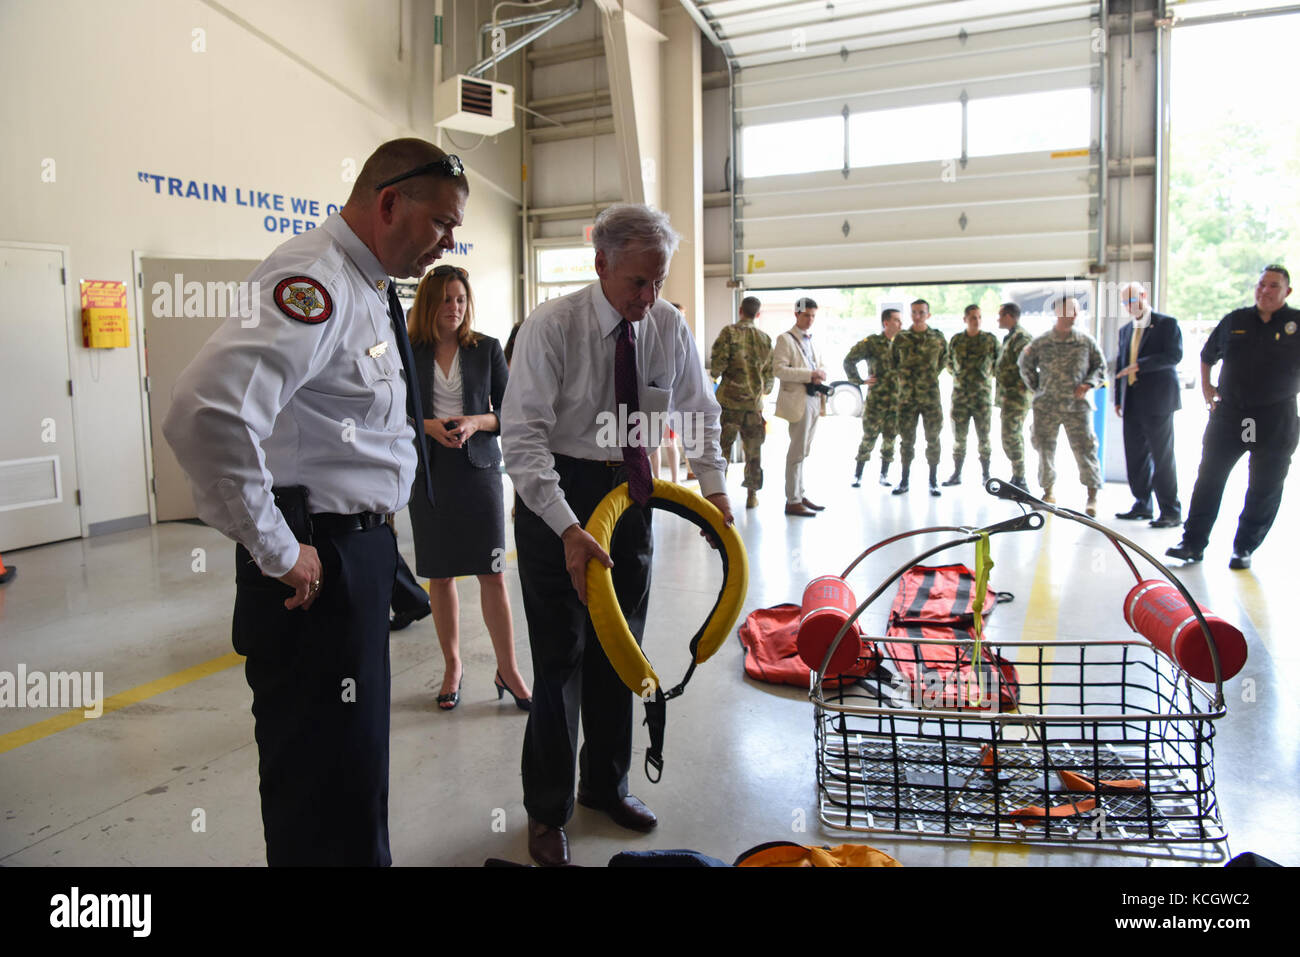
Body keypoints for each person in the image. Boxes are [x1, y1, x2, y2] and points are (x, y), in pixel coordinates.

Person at [162, 138, 468, 866]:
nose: (449, 244)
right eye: (442, 225)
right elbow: (207, 414)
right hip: (315, 567)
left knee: (353, 776)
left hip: (358, 556)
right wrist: (277, 549)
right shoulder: (314, 279)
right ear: (389, 203)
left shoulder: (370, 287)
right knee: (319, 788)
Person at [501, 203, 731, 867]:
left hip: (630, 495)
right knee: (562, 659)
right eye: (637, 282)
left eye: (658, 281)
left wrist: (713, 489)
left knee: (619, 652)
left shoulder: (667, 326)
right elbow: (523, 441)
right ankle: (547, 811)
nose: (649, 296)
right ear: (600, 264)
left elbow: (696, 414)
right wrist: (567, 525)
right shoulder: (552, 327)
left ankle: (606, 785)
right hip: (558, 500)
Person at [406, 265, 531, 712]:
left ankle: (509, 669)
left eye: (460, 299)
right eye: (444, 299)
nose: (453, 308)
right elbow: (391, 415)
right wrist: (429, 427)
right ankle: (453, 666)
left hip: (478, 472)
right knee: (440, 576)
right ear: (429, 304)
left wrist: (476, 421)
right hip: (431, 473)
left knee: (492, 573)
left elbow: (509, 413)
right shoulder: (408, 351)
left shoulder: (487, 349)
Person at [1168, 265, 1299, 569]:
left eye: (1273, 286)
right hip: (1231, 415)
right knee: (1209, 479)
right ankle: (1192, 543)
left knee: (1264, 486)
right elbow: (1206, 355)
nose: (1265, 291)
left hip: (1276, 417)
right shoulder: (1236, 320)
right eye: (1261, 284)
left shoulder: (1297, 323)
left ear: (1287, 292)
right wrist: (1206, 388)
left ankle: (1244, 547)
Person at [1017, 297, 1106, 515]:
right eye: (1070, 310)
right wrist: (1037, 387)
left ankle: (1091, 497)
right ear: (1058, 312)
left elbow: (1100, 367)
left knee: (1086, 450)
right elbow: (1024, 364)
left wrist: (1088, 384)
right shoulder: (1042, 342)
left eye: (1077, 310)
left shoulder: (1085, 341)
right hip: (1047, 406)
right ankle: (1048, 492)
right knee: (1044, 449)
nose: (1075, 315)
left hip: (1077, 406)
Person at [1113, 283, 1183, 528]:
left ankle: (1170, 510)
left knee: (1162, 456)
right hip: (1132, 401)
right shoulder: (1125, 330)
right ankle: (1142, 503)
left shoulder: (1166, 324)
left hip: (1158, 401)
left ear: (1143, 296)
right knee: (1135, 456)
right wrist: (1118, 399)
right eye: (1125, 303)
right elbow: (1120, 365)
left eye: (1132, 299)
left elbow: (1174, 355)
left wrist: (1141, 364)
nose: (1129, 306)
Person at [710, 295, 774, 508]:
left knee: (722, 452)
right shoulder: (765, 338)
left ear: (740, 310)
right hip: (753, 407)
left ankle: (719, 496)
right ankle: (751, 496)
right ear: (757, 314)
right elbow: (769, 377)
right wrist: (760, 390)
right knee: (754, 453)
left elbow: (717, 366)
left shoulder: (729, 333)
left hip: (728, 404)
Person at [773, 297, 828, 516]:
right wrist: (810, 374)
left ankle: (799, 493)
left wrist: (820, 373)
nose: (810, 320)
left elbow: (818, 364)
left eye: (813, 316)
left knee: (804, 451)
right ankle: (792, 499)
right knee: (796, 451)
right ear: (797, 314)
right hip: (798, 400)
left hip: (813, 398)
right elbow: (779, 370)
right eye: (806, 315)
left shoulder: (811, 339)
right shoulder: (785, 339)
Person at [890, 299, 948, 496]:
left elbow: (942, 362)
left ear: (928, 315)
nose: (917, 316)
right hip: (907, 399)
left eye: (921, 312)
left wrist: (926, 378)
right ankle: (904, 480)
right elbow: (893, 362)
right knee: (906, 441)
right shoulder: (901, 338)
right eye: (914, 312)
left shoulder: (937, 338)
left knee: (933, 439)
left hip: (931, 397)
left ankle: (933, 481)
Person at [844, 308, 902, 487]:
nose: (900, 324)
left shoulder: (903, 343)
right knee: (869, 437)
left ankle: (884, 475)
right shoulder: (873, 342)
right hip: (877, 401)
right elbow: (849, 360)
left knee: (890, 439)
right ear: (886, 323)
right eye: (897, 320)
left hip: (896, 401)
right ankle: (858, 474)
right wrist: (860, 380)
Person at [944, 304, 1000, 486]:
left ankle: (986, 474)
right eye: (973, 317)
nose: (976, 321)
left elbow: (999, 365)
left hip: (982, 399)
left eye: (979, 317)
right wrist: (962, 378)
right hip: (960, 399)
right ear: (965, 319)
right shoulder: (956, 340)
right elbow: (949, 364)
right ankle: (956, 474)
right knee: (959, 439)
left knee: (984, 438)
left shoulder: (989, 340)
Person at [995, 302, 1033, 488]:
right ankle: (1016, 476)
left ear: (1009, 316)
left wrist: (1017, 389)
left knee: (1012, 435)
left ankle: (1020, 479)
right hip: (1009, 396)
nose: (998, 319)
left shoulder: (1021, 338)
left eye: (1000, 315)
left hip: (1017, 396)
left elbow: (1027, 367)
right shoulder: (1011, 337)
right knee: (1009, 435)